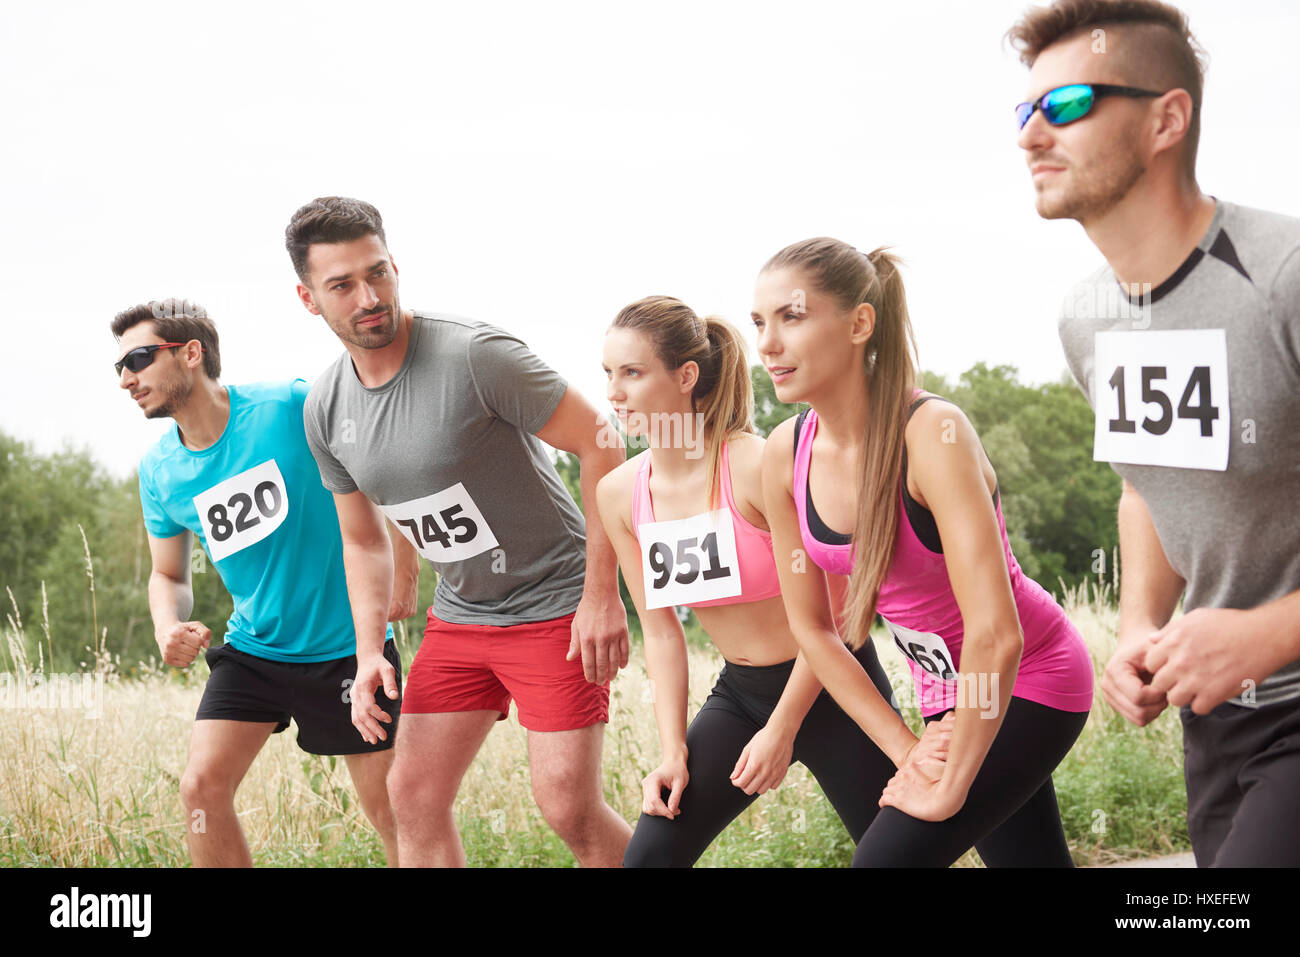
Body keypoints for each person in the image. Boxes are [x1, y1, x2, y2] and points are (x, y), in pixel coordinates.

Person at [1010, 0, 1300, 867]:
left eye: (1065, 107)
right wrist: (1140, 619)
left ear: (1167, 118)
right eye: (1024, 111)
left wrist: (1271, 632)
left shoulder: (1283, 277)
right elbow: (1145, 483)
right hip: (1217, 722)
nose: (1031, 135)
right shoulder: (1087, 320)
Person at [286, 196, 633, 867]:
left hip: (555, 602)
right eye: (342, 285)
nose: (368, 296)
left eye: (378, 272)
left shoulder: (475, 354)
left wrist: (601, 594)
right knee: (411, 795)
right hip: (464, 615)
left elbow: (602, 441)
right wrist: (367, 655)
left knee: (568, 807)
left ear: (394, 264)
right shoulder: (325, 408)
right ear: (308, 298)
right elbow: (361, 541)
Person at [756, 238, 1094, 867]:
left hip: (1030, 678)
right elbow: (814, 628)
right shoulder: (784, 453)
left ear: (860, 323)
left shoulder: (933, 434)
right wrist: (905, 746)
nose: (767, 344)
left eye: (792, 316)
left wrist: (949, 785)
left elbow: (998, 634)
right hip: (943, 694)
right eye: (759, 322)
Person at [596, 296, 907, 867]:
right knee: (649, 858)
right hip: (741, 696)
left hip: (833, 683)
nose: (613, 392)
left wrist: (783, 729)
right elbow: (662, 635)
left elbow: (836, 615)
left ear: (686, 376)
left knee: (903, 858)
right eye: (608, 374)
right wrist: (672, 752)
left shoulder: (759, 466)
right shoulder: (619, 494)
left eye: (632, 373)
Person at [113, 298, 404, 867]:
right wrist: (167, 624)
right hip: (255, 650)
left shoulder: (288, 405)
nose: (127, 379)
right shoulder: (159, 471)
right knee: (201, 790)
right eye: (119, 367)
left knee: (393, 809)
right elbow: (168, 573)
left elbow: (382, 462)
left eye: (140, 359)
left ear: (191, 353)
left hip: (348, 649)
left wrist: (407, 559)